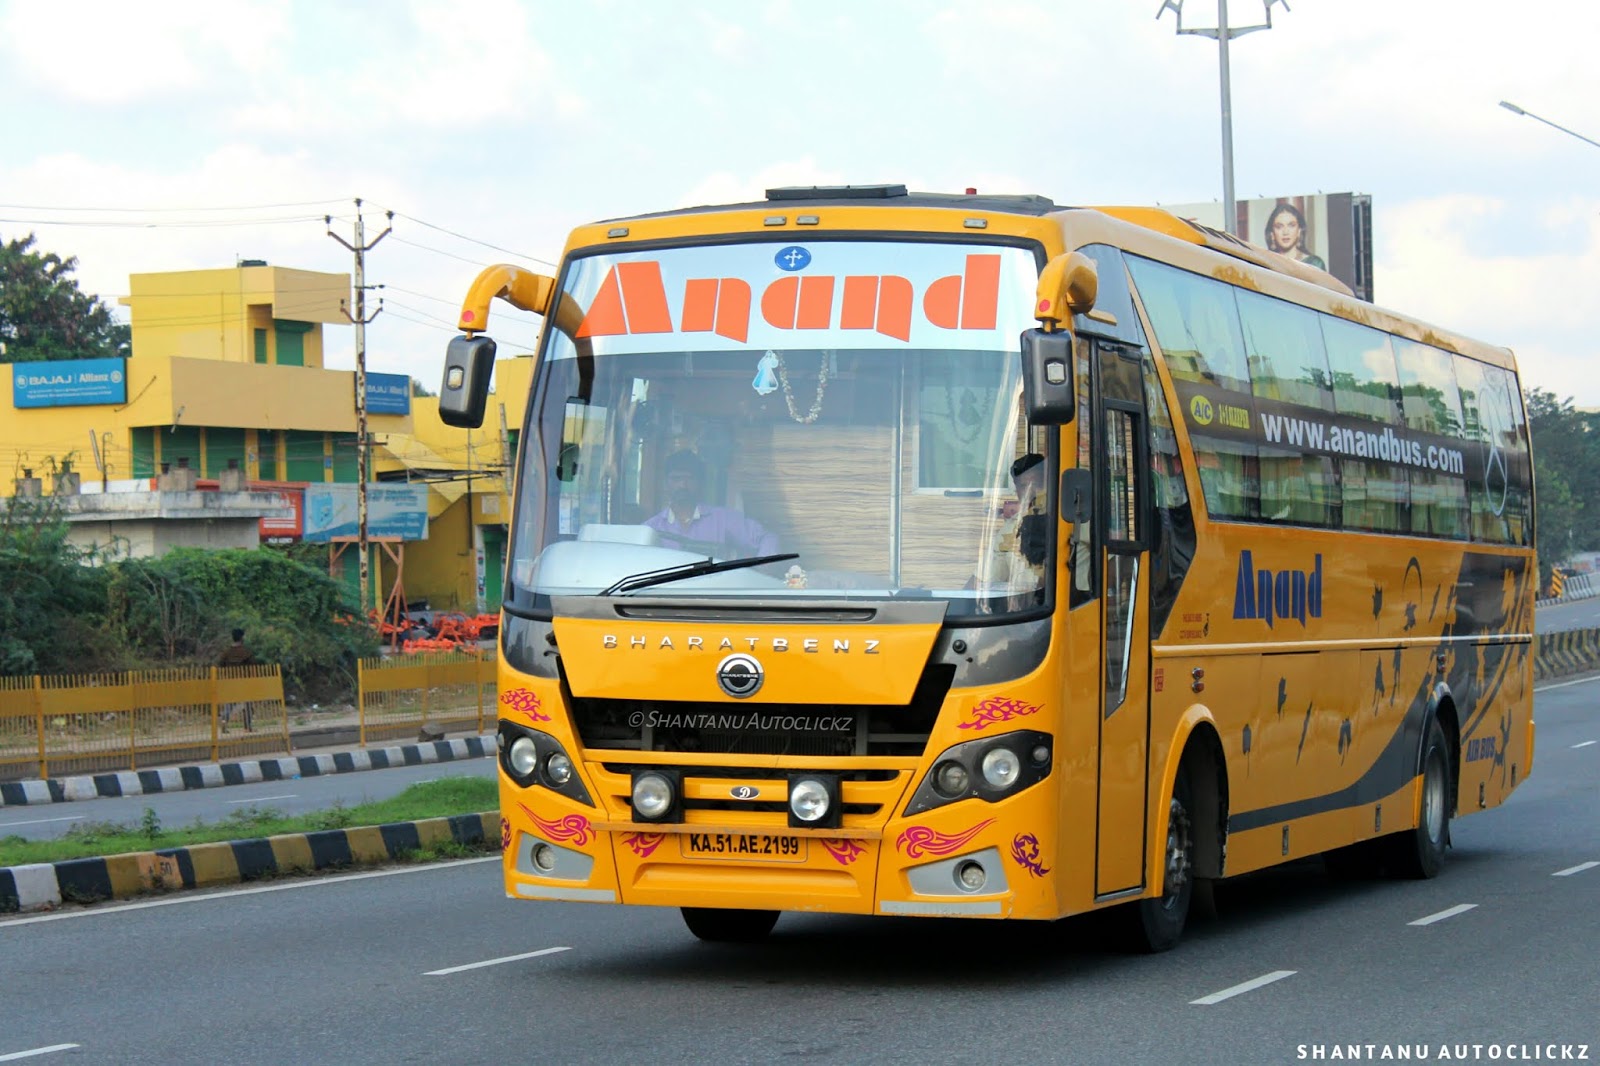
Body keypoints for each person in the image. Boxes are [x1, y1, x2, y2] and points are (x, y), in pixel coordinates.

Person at [645, 450, 780, 559]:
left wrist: (764, 567)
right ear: (666, 483)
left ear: (700, 483)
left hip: (713, 591)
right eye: (676, 479)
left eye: (689, 478)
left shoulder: (723, 519)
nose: (683, 485)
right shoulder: (650, 529)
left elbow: (767, 537)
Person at [973, 453, 1049, 608]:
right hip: (1023, 617)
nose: (1030, 492)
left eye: (1037, 484)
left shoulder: (1075, 521)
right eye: (1023, 486)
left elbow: (1110, 561)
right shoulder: (1011, 528)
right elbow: (983, 580)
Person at [1264, 202, 1327, 271]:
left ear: (1299, 231)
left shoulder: (1314, 264)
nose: (1285, 232)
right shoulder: (1265, 265)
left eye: (1291, 225)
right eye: (1279, 227)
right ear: (1272, 234)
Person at [219, 627, 255, 733]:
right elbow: (252, 665)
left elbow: (221, 665)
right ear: (242, 637)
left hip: (230, 681)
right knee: (248, 704)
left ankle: (224, 723)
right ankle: (247, 727)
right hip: (244, 682)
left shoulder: (226, 652)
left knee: (229, 705)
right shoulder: (246, 652)